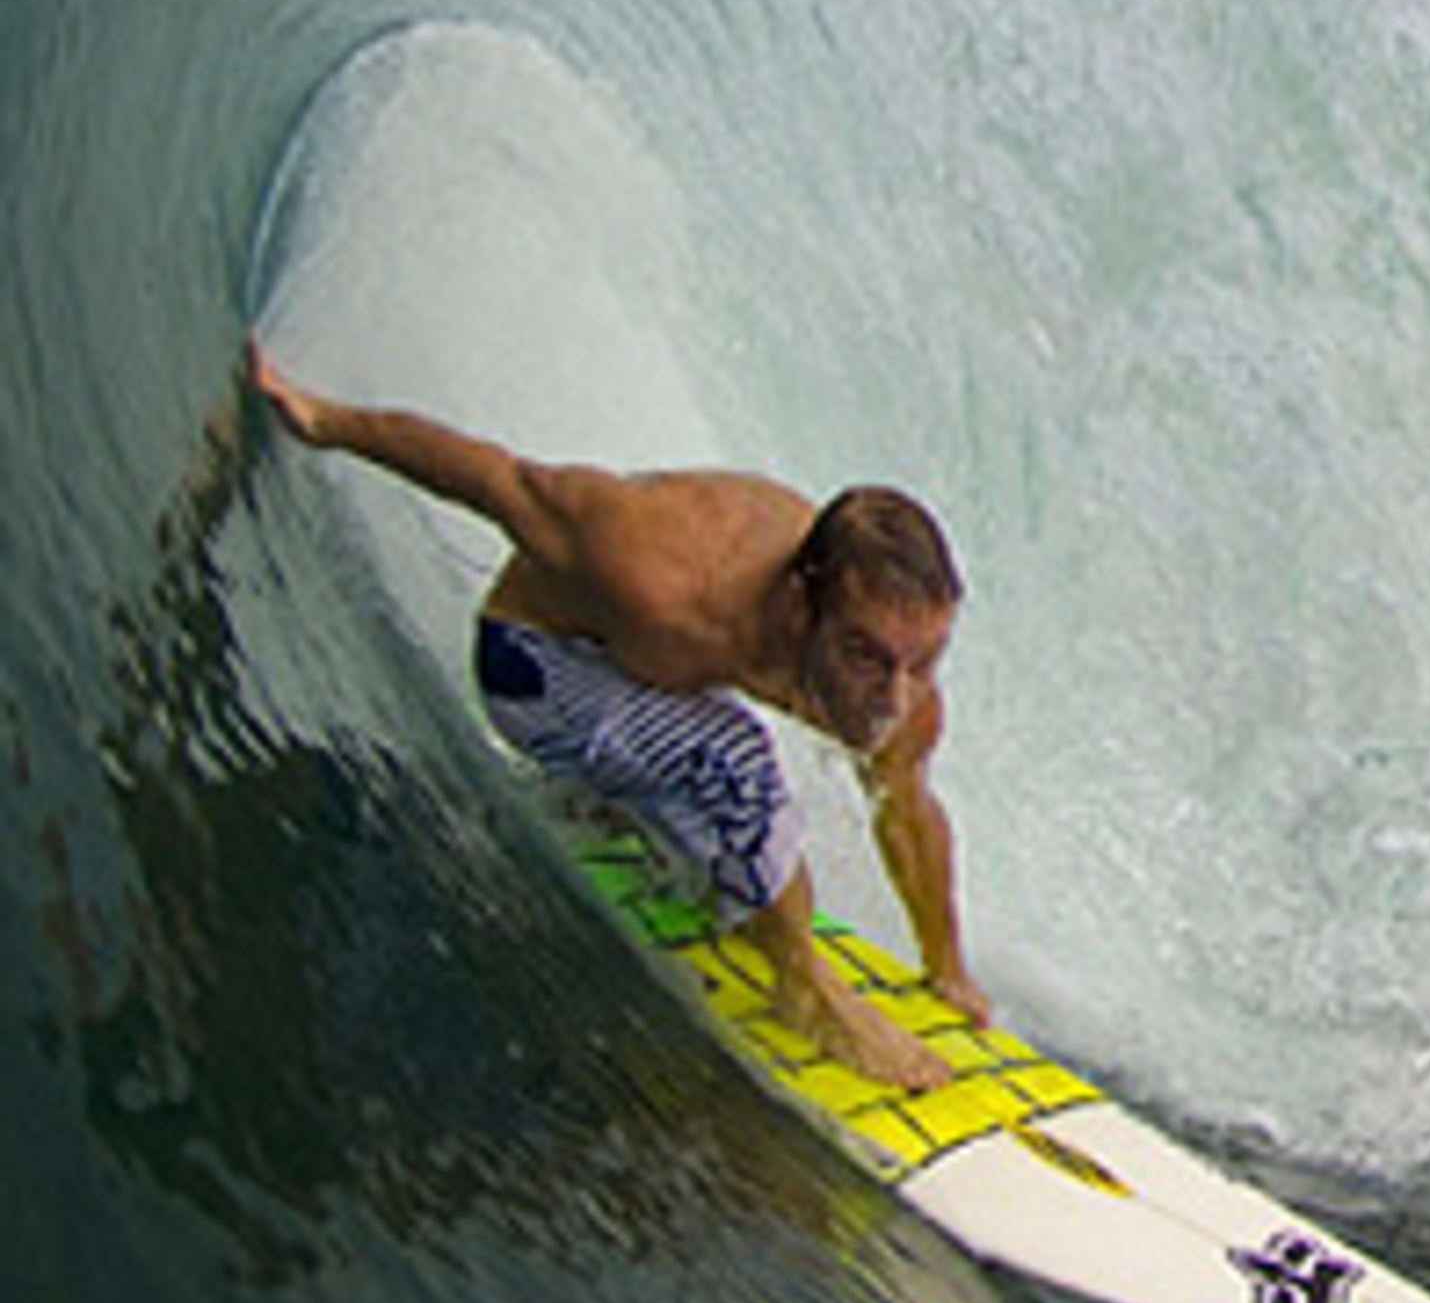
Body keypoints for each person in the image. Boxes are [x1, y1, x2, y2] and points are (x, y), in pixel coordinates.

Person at [244, 338, 984, 1091]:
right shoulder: (661, 565)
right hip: (536, 667)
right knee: (733, 757)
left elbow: (906, 806)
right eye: (865, 657)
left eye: (922, 661)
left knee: (741, 833)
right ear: (800, 605)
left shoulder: (892, 666)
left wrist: (946, 967)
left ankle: (619, 806)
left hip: (647, 691)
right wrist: (324, 419)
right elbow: (495, 479)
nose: (894, 694)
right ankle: (803, 987)